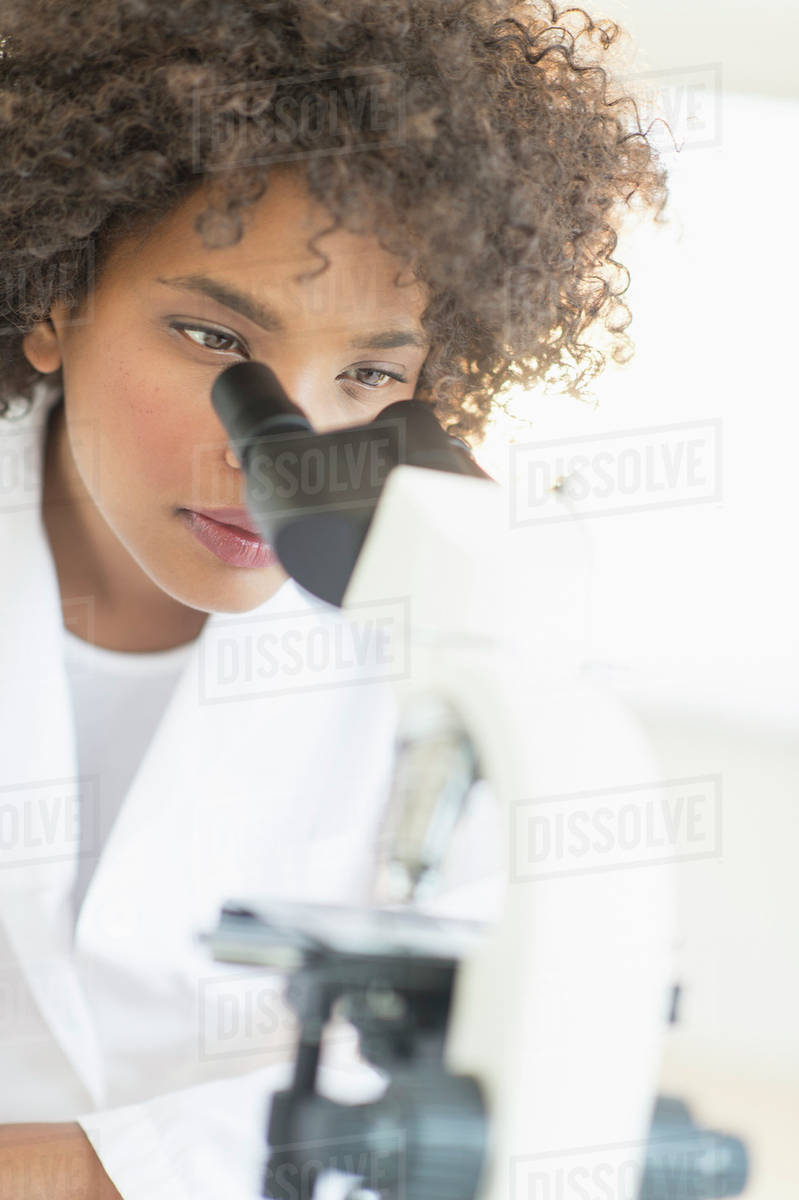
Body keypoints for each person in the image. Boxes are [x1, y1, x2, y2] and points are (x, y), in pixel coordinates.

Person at [0, 1, 669, 1196]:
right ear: (53, 301)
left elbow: (506, 1044)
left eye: (369, 372)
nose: (287, 444)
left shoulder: (469, 604)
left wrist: (76, 1172)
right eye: (214, 336)